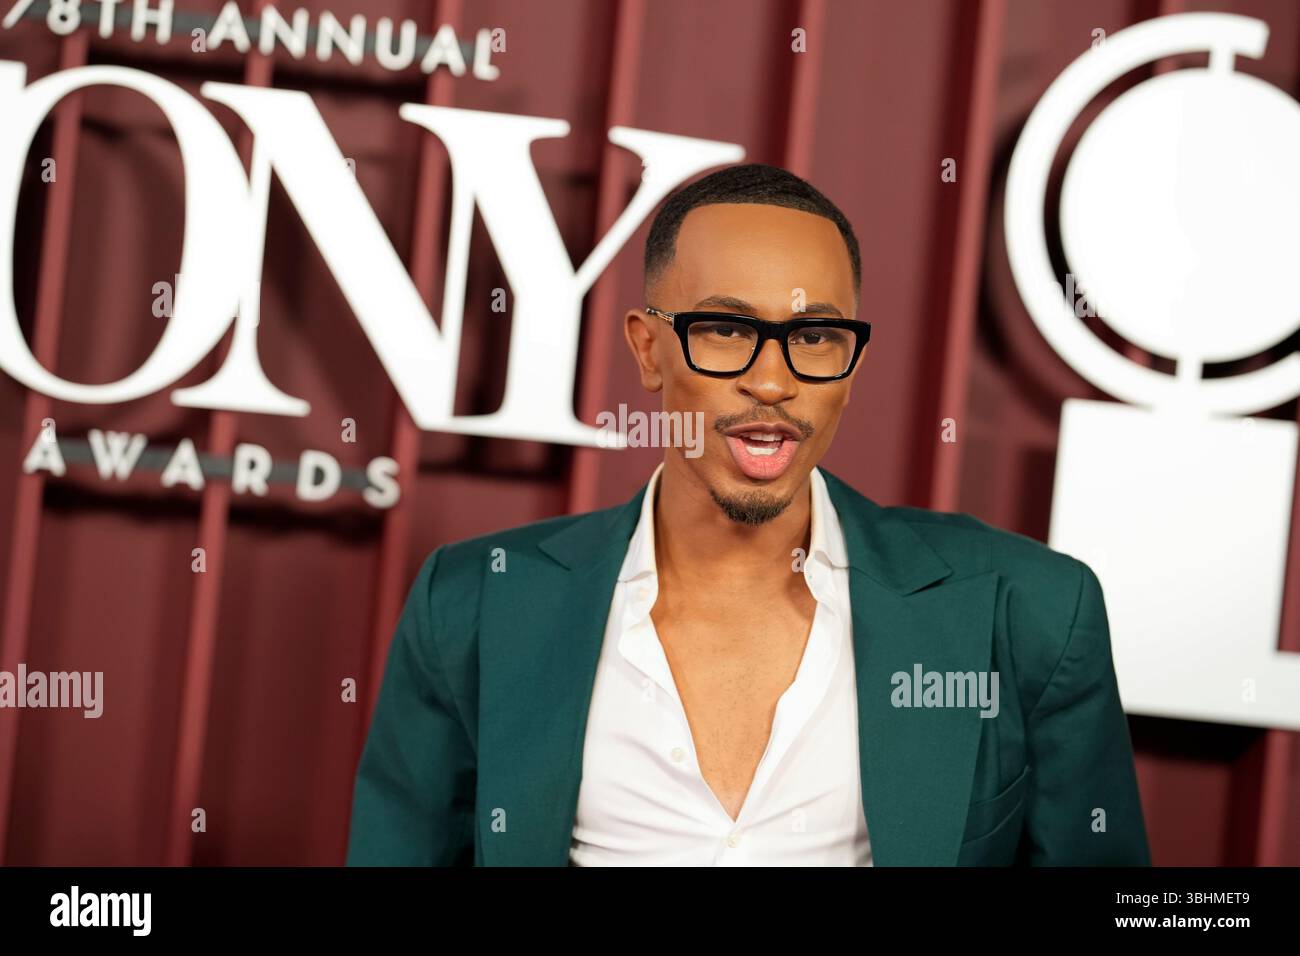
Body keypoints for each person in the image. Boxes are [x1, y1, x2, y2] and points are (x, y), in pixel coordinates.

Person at [345, 163, 1150, 866]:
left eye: (815, 336)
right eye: (727, 330)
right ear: (649, 349)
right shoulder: (475, 605)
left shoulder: (1029, 612)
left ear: (852, 362)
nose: (772, 381)